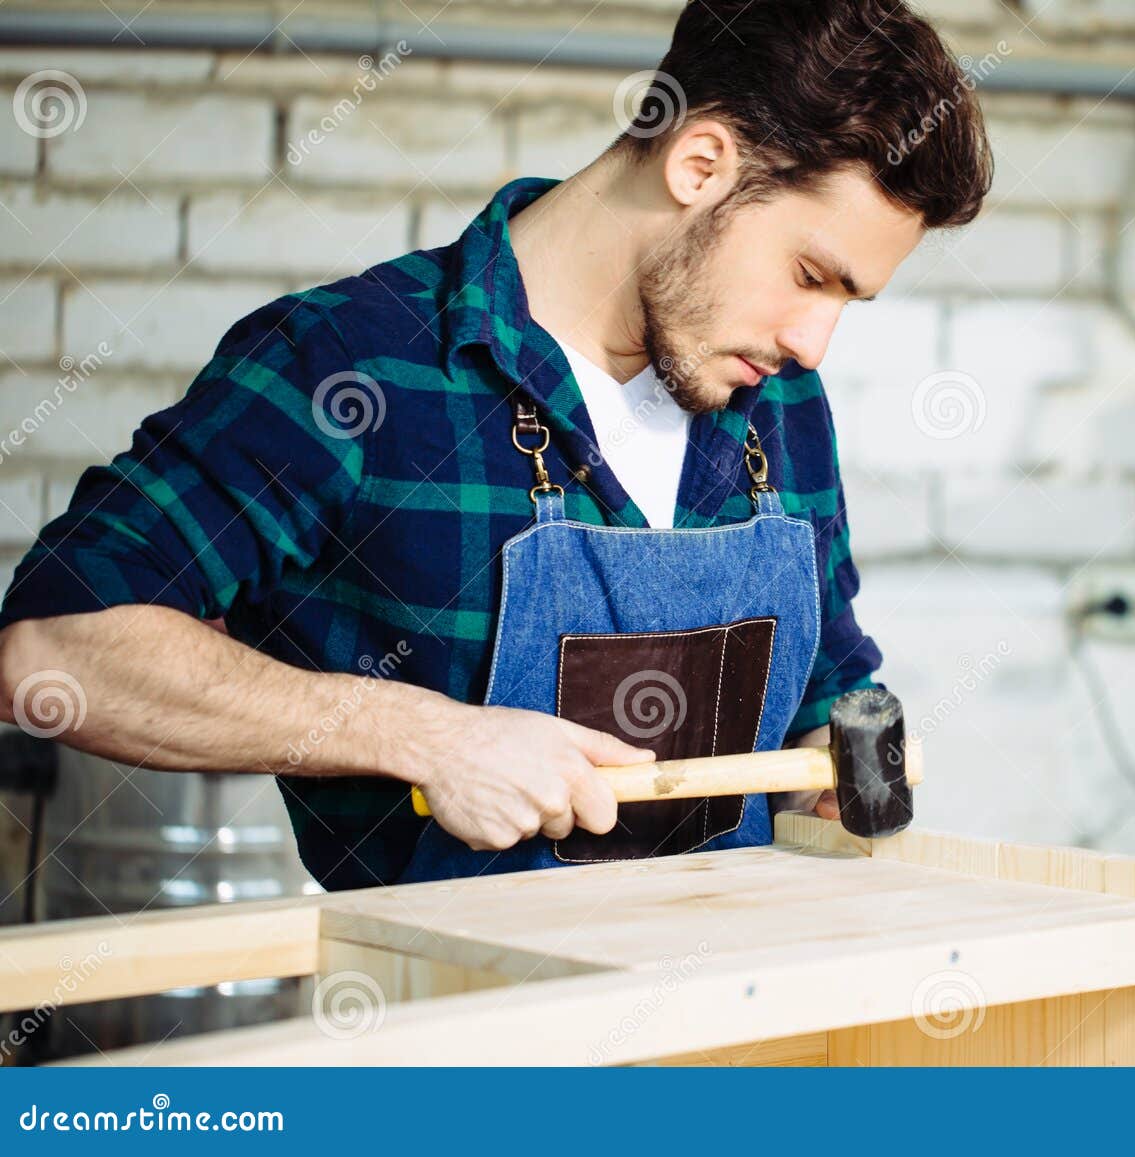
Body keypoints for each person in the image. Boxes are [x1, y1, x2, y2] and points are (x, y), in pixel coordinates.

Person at [0, 0, 992, 890]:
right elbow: (59, 647)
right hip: (460, 1047)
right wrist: (423, 736)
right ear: (701, 164)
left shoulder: (776, 399)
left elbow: (832, 690)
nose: (811, 342)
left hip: (729, 1030)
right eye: (810, 275)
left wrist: (847, 763)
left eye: (846, 301)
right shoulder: (358, 368)